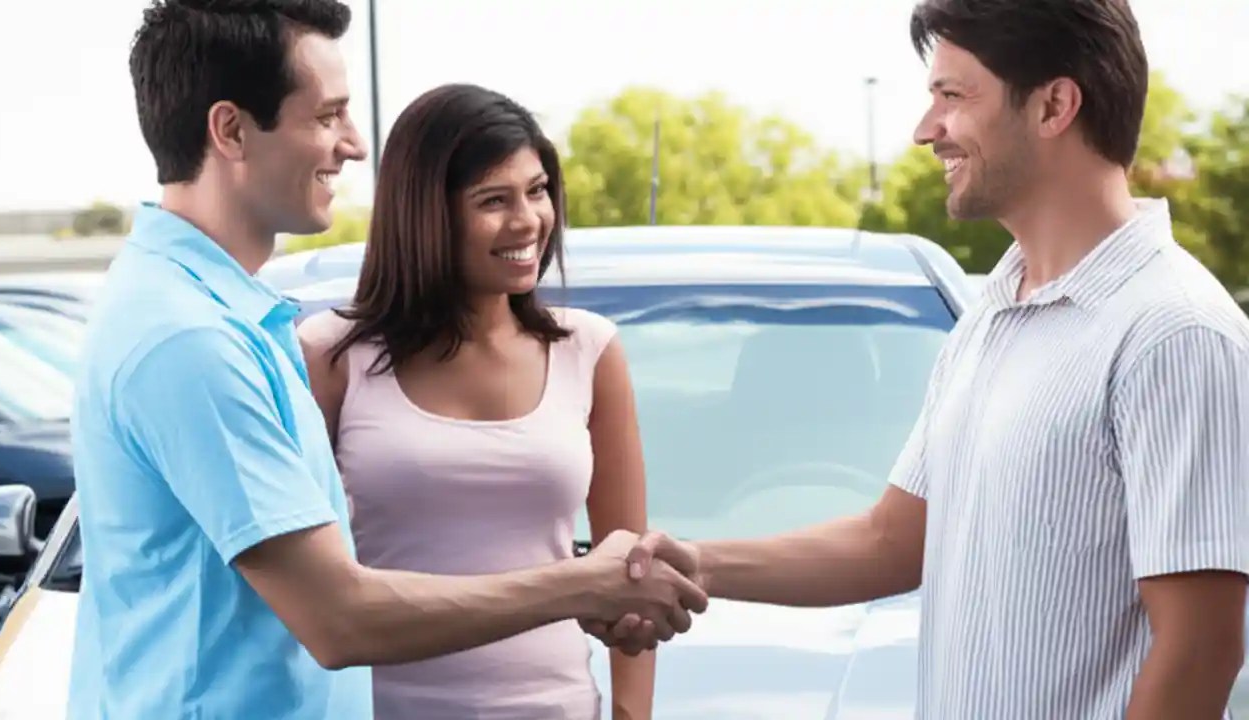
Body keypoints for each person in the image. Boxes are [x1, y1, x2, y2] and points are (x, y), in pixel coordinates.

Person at [593, 1, 1249, 718]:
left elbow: (1201, 648)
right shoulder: (994, 314)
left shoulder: (1174, 331)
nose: (925, 130)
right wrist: (695, 565)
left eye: (952, 96)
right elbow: (891, 541)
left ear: (1054, 105)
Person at [67, 3, 705, 719]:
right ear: (232, 130)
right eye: (328, 116)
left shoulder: (237, 322)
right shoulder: (190, 342)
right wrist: (586, 583)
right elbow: (339, 617)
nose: (355, 144)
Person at [295, 82, 655, 720]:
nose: (528, 221)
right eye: (494, 199)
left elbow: (631, 571)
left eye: (538, 191)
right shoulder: (330, 355)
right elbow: (296, 583)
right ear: (426, 212)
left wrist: (630, 713)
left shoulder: (590, 351)